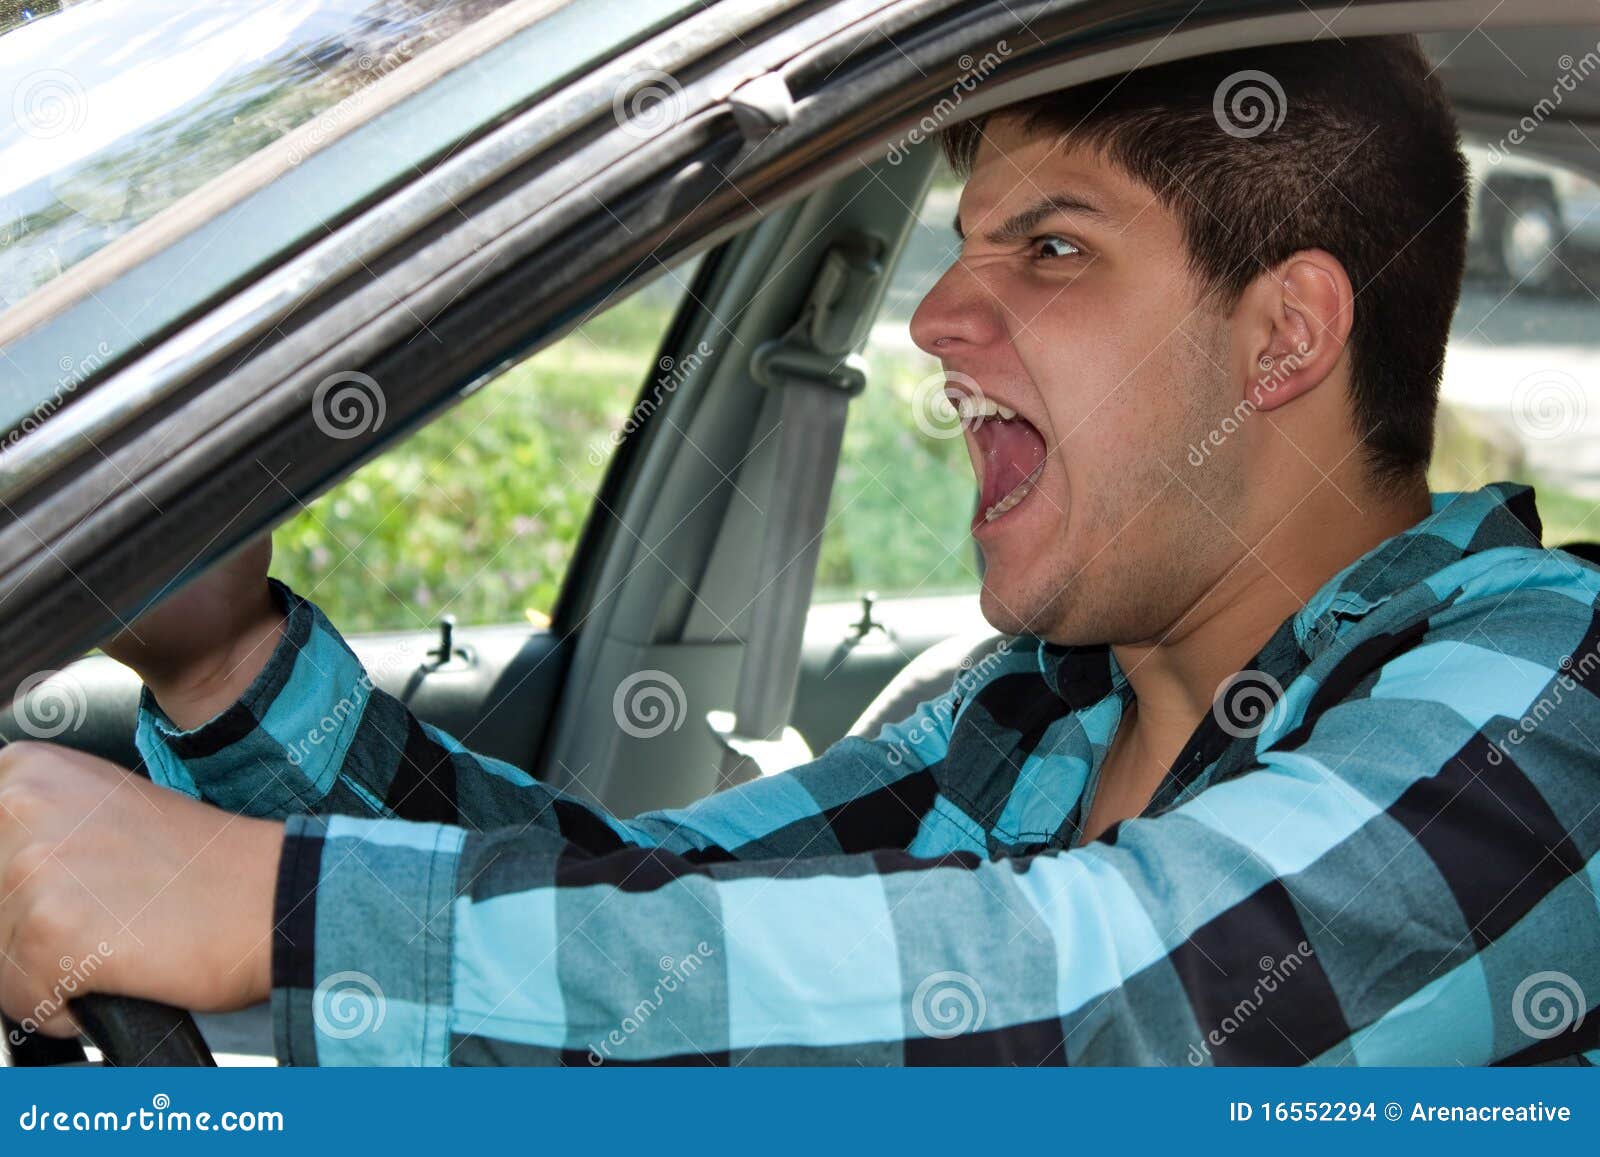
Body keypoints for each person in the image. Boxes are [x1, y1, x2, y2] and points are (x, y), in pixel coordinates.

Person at [2, 34, 1597, 1065]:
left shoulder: (1551, 697)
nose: (937, 321)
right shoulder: (1030, 712)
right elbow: (641, 907)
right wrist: (226, 670)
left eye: (1051, 248)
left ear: (1285, 337)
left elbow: (1113, 1005)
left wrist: (280, 909)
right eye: (959, 250)